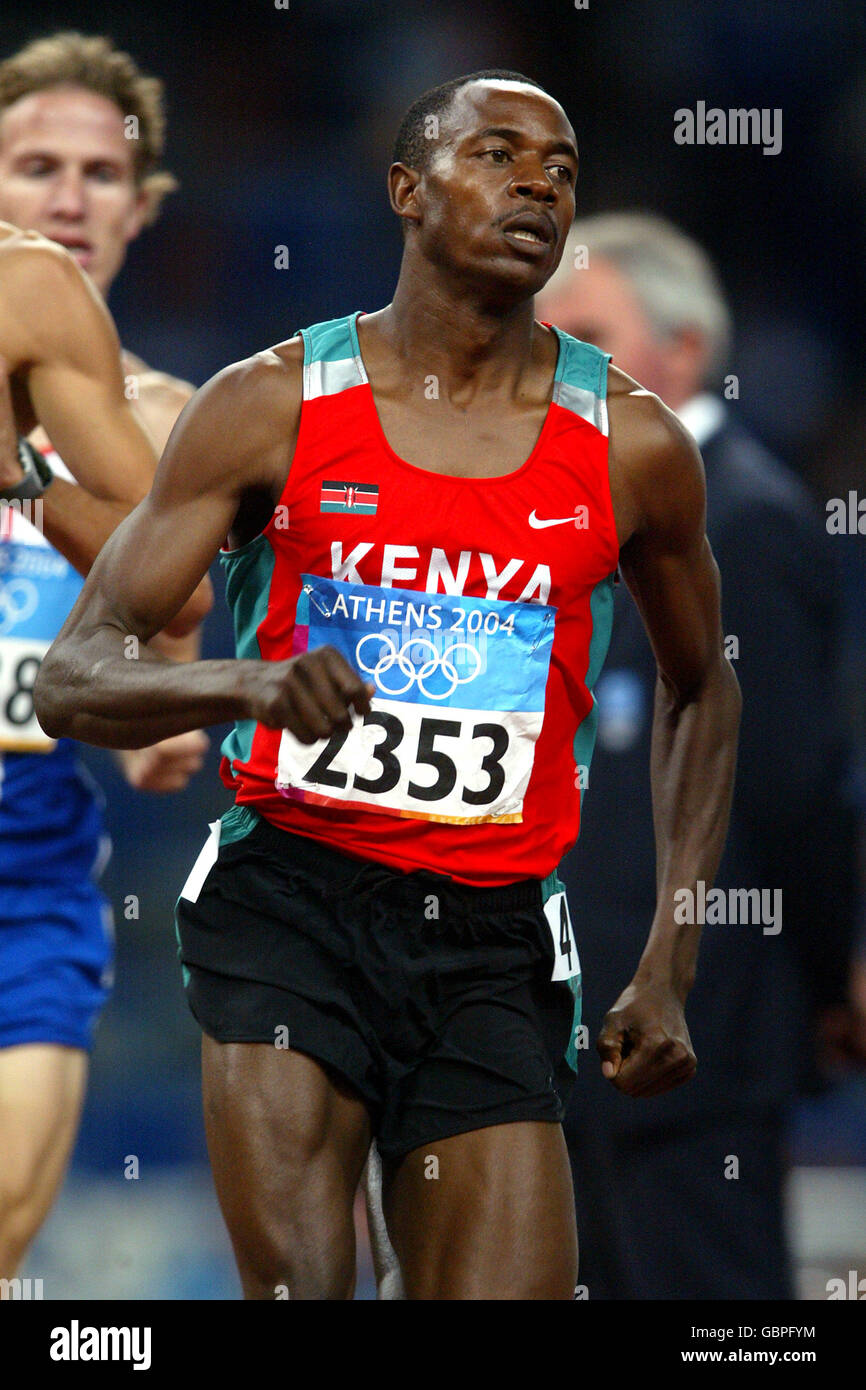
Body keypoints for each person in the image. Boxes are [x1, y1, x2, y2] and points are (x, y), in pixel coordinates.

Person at [34, 70, 741, 1301]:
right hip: (289, 905)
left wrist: (668, 957)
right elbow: (74, 677)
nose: (537, 183)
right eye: (499, 155)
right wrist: (246, 685)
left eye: (561, 170)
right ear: (408, 193)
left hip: (492, 936)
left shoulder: (632, 446)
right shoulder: (268, 406)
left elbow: (701, 691)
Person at [535, 212, 863, 1298]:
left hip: (693, 1046)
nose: (553, 363)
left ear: (681, 351)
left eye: (584, 331)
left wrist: (828, 975)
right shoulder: (549, 525)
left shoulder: (749, 522)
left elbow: (784, 789)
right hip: (556, 1045)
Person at [0, 31, 211, 1280]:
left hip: (26, 859)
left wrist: (25, 472)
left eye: (99, 171)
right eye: (35, 164)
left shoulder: (178, 420)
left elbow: (176, 611)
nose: (69, 195)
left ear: (142, 208)